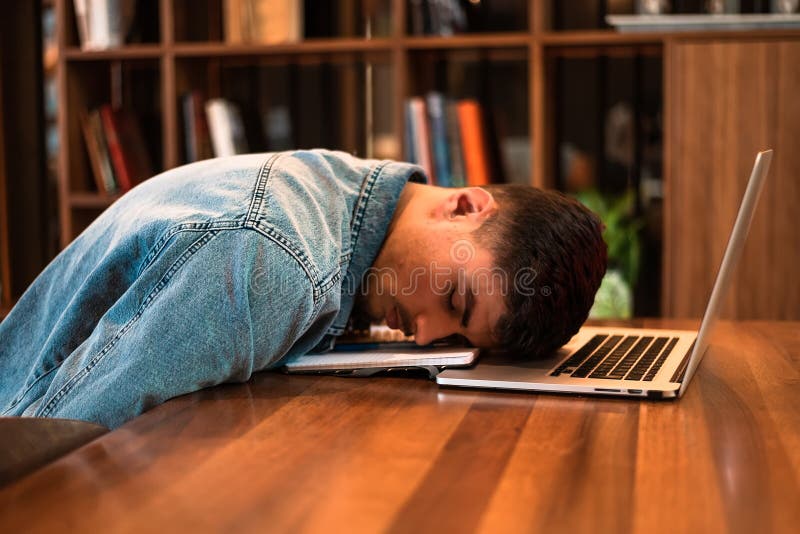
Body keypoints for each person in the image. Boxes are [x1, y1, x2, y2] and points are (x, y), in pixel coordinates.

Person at [0, 150, 606, 429]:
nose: (425, 335)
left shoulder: (338, 187)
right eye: (453, 299)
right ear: (466, 206)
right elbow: (53, 449)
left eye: (459, 336)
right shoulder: (270, 265)